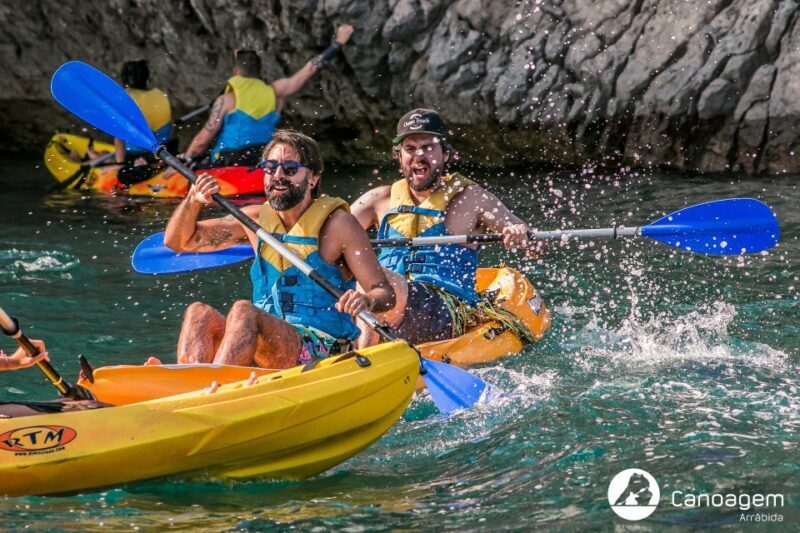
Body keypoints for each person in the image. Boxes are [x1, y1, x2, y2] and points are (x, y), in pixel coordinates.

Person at [160, 129, 394, 369]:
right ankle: (191, 381)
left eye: (290, 169)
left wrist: (365, 300)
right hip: (267, 344)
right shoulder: (254, 221)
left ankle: (216, 384)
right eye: (270, 168)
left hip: (320, 351)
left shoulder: (339, 225)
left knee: (243, 311)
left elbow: (385, 293)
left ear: (312, 178)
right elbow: (179, 242)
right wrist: (193, 201)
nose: (278, 176)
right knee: (199, 313)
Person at [351, 108, 543, 347]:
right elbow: (332, 235)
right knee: (362, 279)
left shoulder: (471, 199)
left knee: (373, 277)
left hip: (443, 310)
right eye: (410, 148)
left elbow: (535, 246)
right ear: (399, 156)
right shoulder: (378, 199)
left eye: (428, 147)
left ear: (445, 154)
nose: (419, 155)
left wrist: (521, 234)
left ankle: (364, 359)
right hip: (381, 305)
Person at [179, 24, 354, 169]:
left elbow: (202, 141)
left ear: (235, 72)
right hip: (262, 161)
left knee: (194, 158)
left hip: (229, 162)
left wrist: (184, 161)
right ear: (260, 71)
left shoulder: (226, 100)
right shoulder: (276, 92)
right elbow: (309, 70)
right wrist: (337, 44)